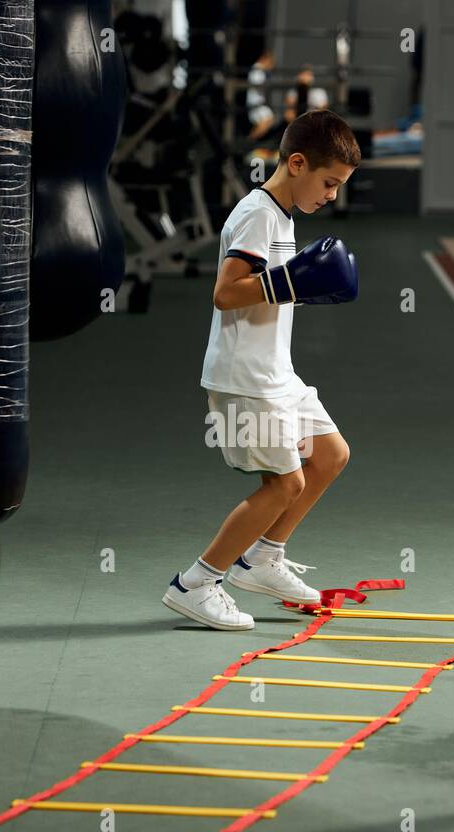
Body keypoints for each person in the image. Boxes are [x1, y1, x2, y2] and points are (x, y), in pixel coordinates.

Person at [163, 110, 361, 630]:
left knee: (330, 455)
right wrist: (290, 282)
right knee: (283, 485)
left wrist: (294, 284)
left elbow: (270, 291)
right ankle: (197, 583)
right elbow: (226, 293)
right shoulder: (258, 214)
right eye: (329, 182)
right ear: (296, 163)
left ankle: (264, 559)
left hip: (277, 373)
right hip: (244, 379)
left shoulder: (284, 215)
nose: (332, 195)